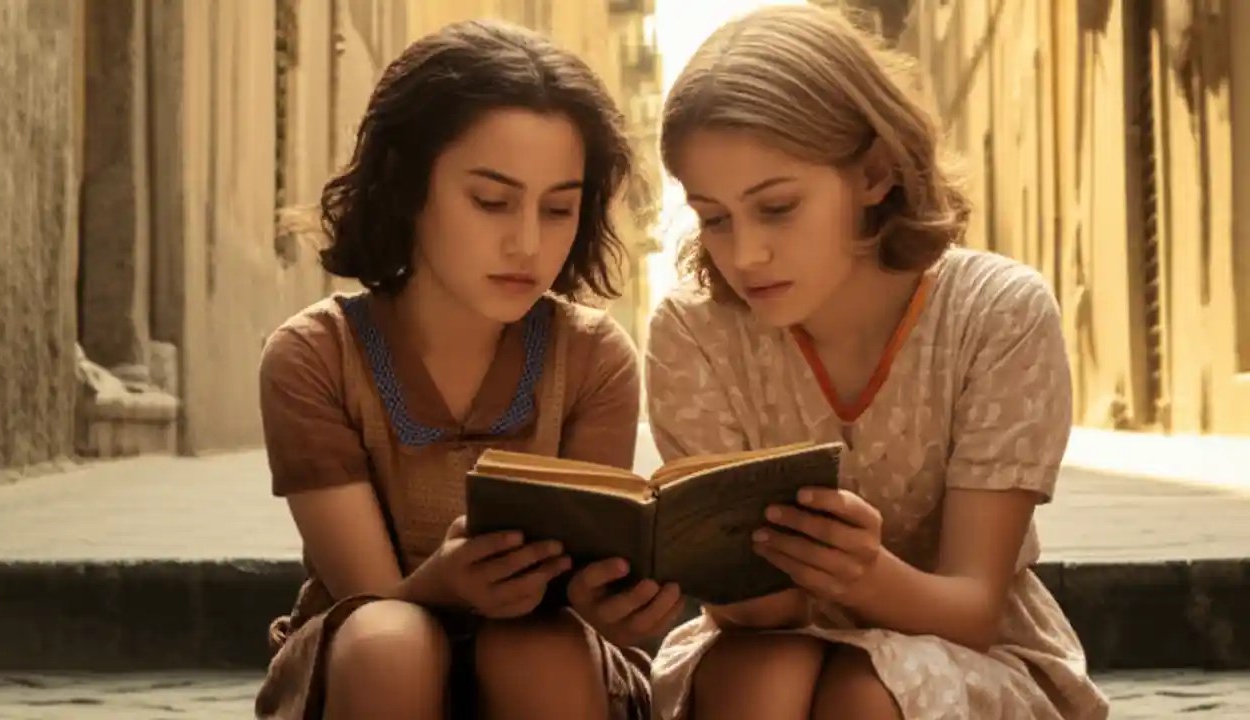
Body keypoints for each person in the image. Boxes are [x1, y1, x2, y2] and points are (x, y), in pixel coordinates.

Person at [643, 5, 1110, 719]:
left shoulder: (997, 314)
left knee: (862, 694)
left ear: (875, 174)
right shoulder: (692, 332)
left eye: (777, 208)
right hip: (770, 648)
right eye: (713, 217)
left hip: (966, 652)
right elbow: (759, 617)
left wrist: (867, 575)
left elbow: (974, 609)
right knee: (762, 679)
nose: (743, 255)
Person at [253, 19, 681, 720]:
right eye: (490, 201)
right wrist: (447, 586)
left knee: (535, 647)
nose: (527, 242)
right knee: (394, 641)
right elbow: (370, 596)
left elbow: (584, 597)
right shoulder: (315, 357)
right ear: (407, 184)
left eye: (560, 208)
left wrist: (621, 605)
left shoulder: (594, 359)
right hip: (373, 659)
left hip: (546, 663)